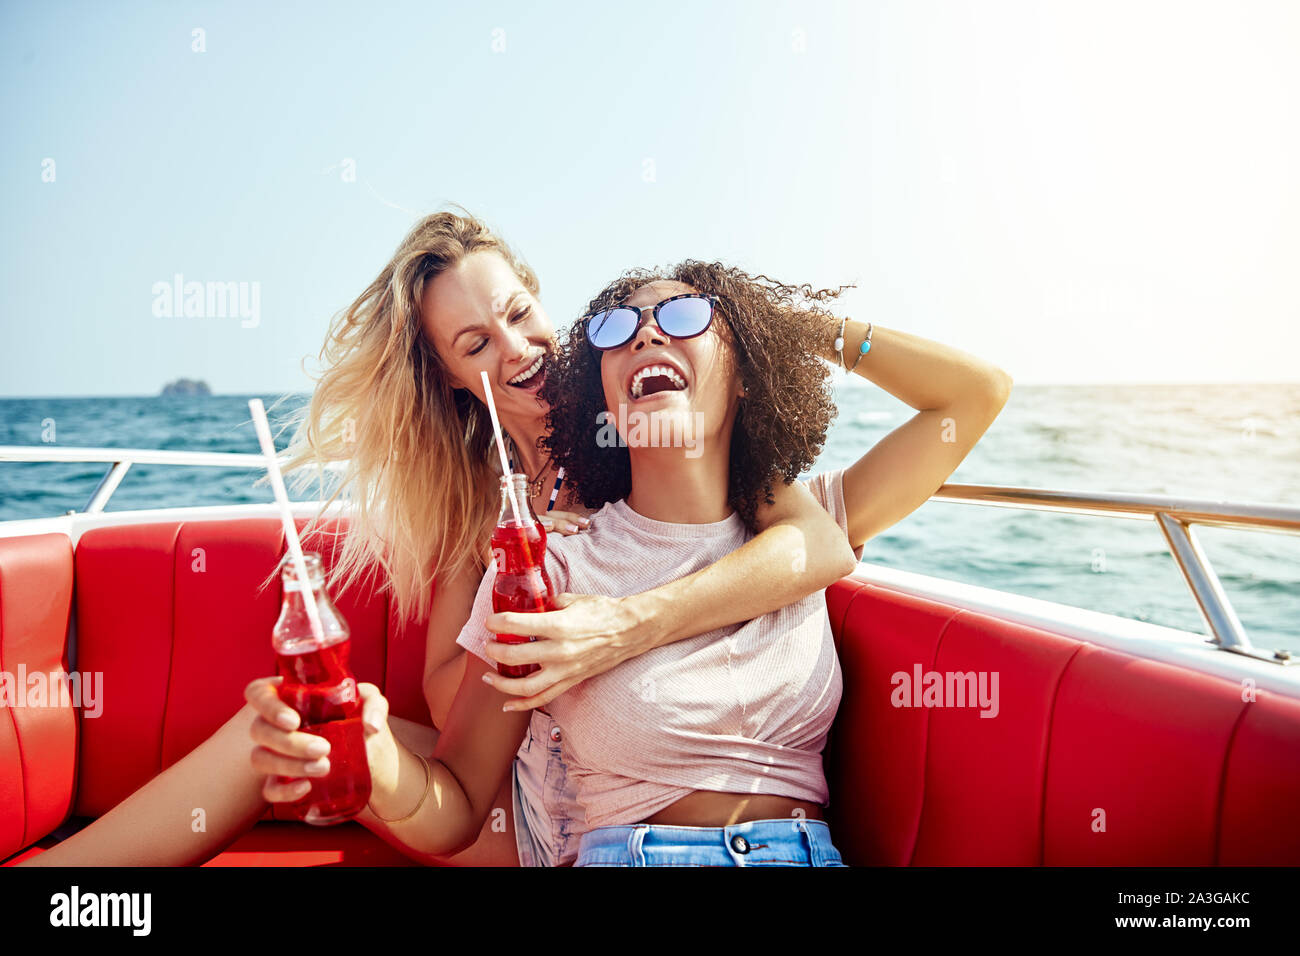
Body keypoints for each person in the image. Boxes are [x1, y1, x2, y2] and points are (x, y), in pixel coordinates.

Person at [18, 211, 859, 867]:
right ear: (454, 381)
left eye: (520, 313)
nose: (518, 347)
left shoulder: (648, 435)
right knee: (286, 730)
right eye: (475, 344)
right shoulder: (483, 512)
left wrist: (616, 623)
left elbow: (811, 542)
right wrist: (527, 596)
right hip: (529, 781)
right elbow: (449, 698)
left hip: (619, 751)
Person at [247, 260, 1012, 867]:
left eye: (683, 316)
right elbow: (453, 806)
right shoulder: (549, 567)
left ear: (742, 370)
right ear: (602, 402)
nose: (647, 336)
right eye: (619, 329)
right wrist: (376, 757)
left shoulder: (810, 521)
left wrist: (789, 324)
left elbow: (974, 397)